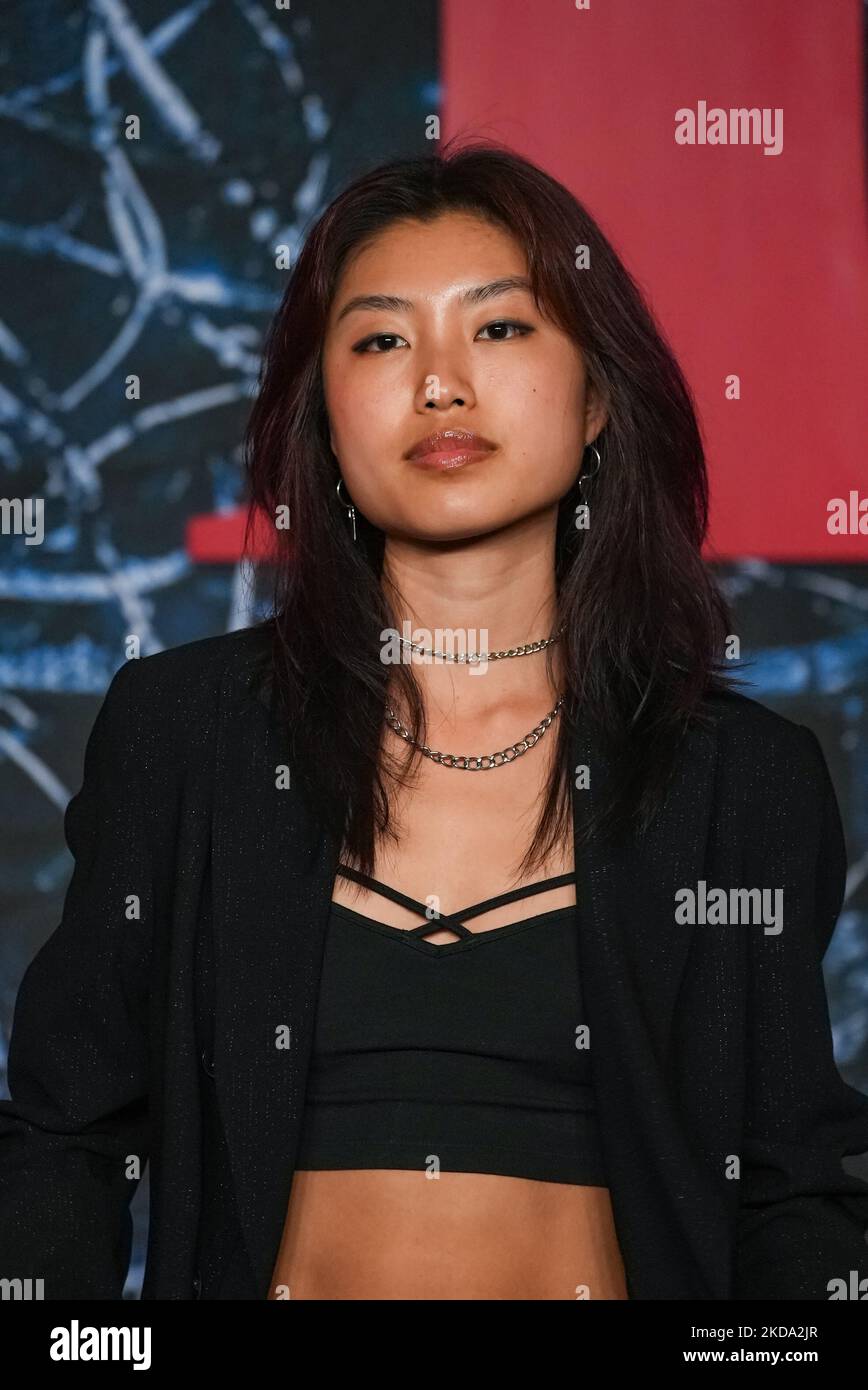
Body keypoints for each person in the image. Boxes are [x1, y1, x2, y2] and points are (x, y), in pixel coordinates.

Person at [2, 141, 868, 1301]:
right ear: (324, 415)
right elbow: (65, 1137)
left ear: (598, 393)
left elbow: (788, 1195)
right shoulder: (186, 733)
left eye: (500, 329)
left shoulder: (741, 781)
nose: (440, 383)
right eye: (380, 339)